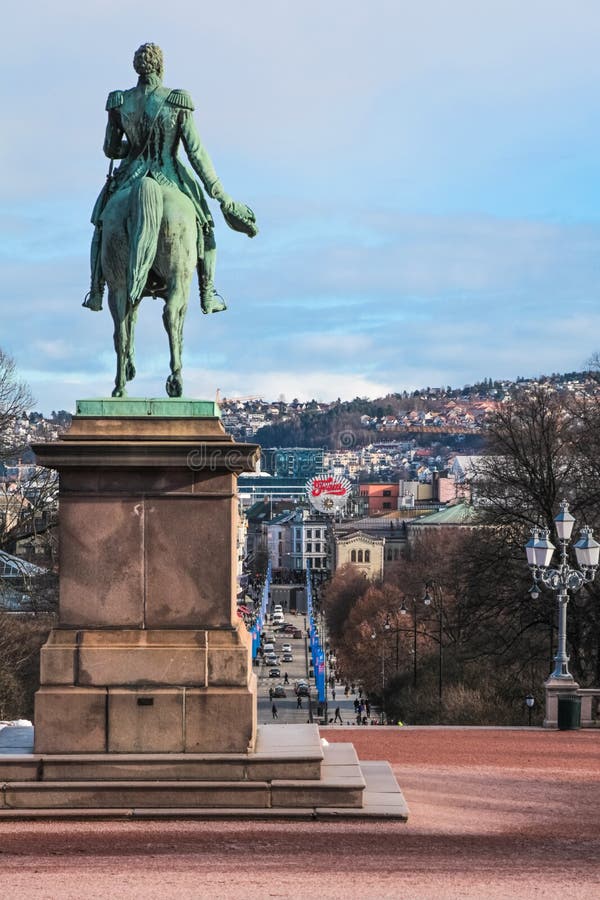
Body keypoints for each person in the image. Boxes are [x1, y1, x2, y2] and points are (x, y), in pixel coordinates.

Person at [84, 42, 257, 314]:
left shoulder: (120, 101)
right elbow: (196, 153)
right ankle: (208, 292)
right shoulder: (177, 101)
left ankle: (95, 290)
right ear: (161, 67)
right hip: (169, 175)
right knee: (205, 227)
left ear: (137, 68)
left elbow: (111, 149)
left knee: (102, 225)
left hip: (130, 175)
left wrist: (129, 147)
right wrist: (221, 196)